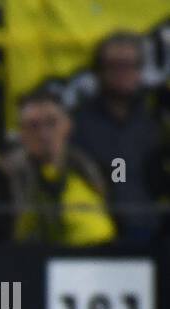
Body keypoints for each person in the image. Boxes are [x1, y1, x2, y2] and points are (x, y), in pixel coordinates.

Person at [0, 89, 116, 247]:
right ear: (21, 132)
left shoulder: (95, 169)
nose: (43, 134)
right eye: (33, 126)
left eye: (51, 123)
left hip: (95, 260)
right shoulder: (3, 177)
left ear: (68, 125)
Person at [71, 32, 164, 247]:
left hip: (152, 229)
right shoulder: (78, 122)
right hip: (97, 231)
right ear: (99, 71)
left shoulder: (155, 121)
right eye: (114, 65)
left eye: (130, 65)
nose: (123, 73)